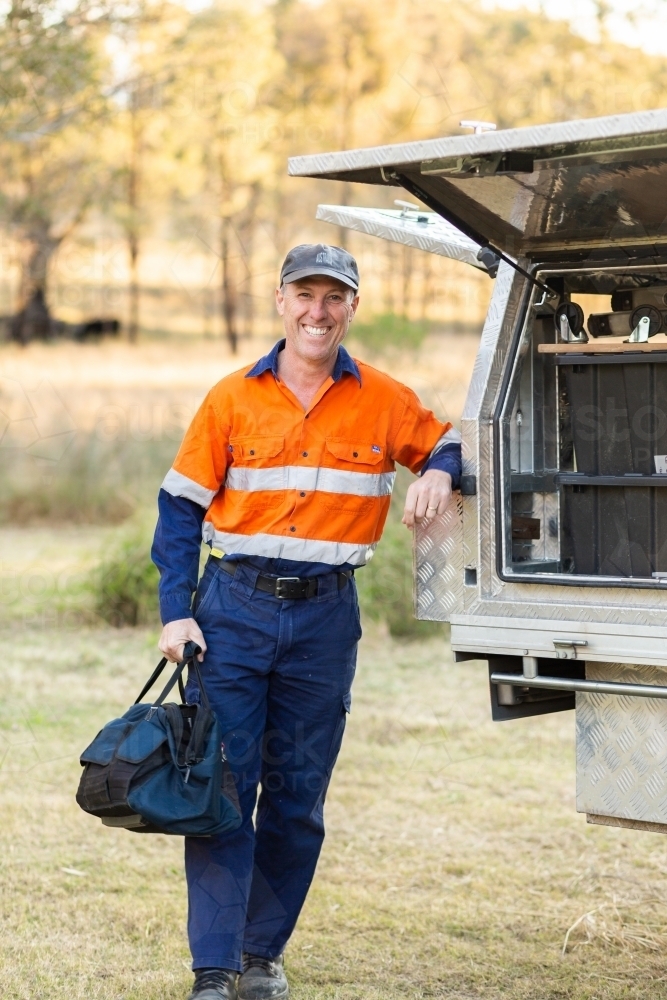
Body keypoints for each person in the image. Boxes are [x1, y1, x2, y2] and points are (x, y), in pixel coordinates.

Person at [152, 244, 461, 1000]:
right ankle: (214, 969)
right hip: (232, 612)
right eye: (304, 295)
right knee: (223, 789)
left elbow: (449, 439)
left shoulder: (385, 399)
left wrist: (442, 469)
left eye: (333, 297)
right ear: (279, 300)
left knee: (296, 798)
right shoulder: (231, 398)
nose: (317, 312)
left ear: (352, 306)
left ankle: (261, 956)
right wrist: (175, 613)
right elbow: (179, 509)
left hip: (326, 620)